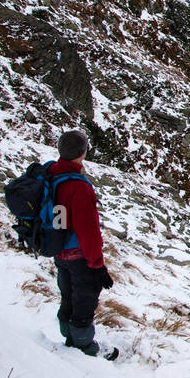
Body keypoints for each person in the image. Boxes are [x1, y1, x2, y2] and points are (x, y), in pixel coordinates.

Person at [49, 130, 117, 360]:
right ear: (83, 152)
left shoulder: (51, 174)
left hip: (59, 250)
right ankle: (84, 348)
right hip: (78, 255)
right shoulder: (79, 187)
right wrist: (97, 265)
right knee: (85, 299)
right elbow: (88, 231)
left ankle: (68, 335)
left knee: (67, 294)